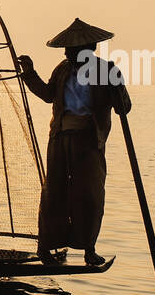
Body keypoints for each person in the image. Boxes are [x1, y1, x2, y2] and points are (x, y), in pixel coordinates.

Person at [16, 18, 132, 267]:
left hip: (89, 142)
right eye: (66, 49)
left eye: (71, 49)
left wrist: (117, 85)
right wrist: (30, 73)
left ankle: (89, 249)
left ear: (86, 49)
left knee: (89, 195)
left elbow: (124, 108)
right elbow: (49, 96)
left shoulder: (106, 71)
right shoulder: (63, 69)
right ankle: (45, 248)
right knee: (54, 193)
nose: (67, 52)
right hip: (59, 139)